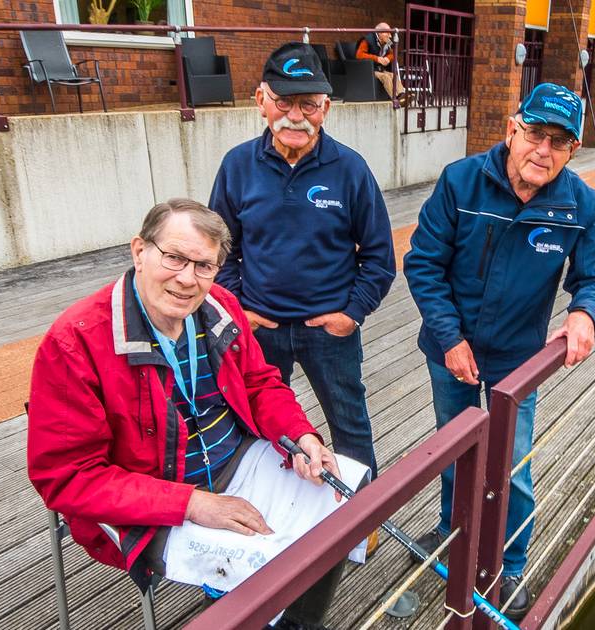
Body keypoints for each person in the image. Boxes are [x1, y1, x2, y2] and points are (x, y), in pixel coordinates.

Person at [27, 199, 350, 629]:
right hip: (153, 497)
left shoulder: (220, 304)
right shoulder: (74, 342)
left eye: (204, 265)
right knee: (263, 566)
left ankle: (297, 623)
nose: (187, 279)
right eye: (174, 257)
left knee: (338, 503)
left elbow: (259, 384)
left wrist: (301, 436)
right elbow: (68, 477)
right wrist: (192, 503)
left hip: (234, 461)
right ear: (139, 251)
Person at [403, 83, 595, 621]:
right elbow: (423, 262)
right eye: (535, 134)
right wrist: (450, 338)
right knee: (455, 449)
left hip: (518, 361)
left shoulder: (581, 204)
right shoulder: (460, 181)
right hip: (450, 348)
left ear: (572, 149)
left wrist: (585, 312)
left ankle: (511, 563)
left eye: (559, 141)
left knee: (513, 466)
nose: (544, 150)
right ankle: (452, 532)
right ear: (512, 129)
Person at [209, 43, 396, 546]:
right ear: (261, 101)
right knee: (258, 425)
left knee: (349, 423)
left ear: (326, 108)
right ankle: (273, 517)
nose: (296, 115)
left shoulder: (351, 169)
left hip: (328, 332)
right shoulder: (237, 166)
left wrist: (351, 314)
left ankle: (361, 522)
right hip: (259, 331)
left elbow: (380, 257)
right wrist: (241, 311)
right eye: (284, 101)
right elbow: (219, 251)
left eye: (308, 103)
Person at [356, 22, 411, 105]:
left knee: (393, 75)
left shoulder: (388, 41)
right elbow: (359, 55)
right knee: (385, 77)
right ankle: (395, 99)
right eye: (388, 33)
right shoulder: (367, 40)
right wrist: (377, 59)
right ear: (380, 33)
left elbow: (393, 53)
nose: (390, 36)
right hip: (368, 69)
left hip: (379, 69)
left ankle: (402, 96)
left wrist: (388, 58)